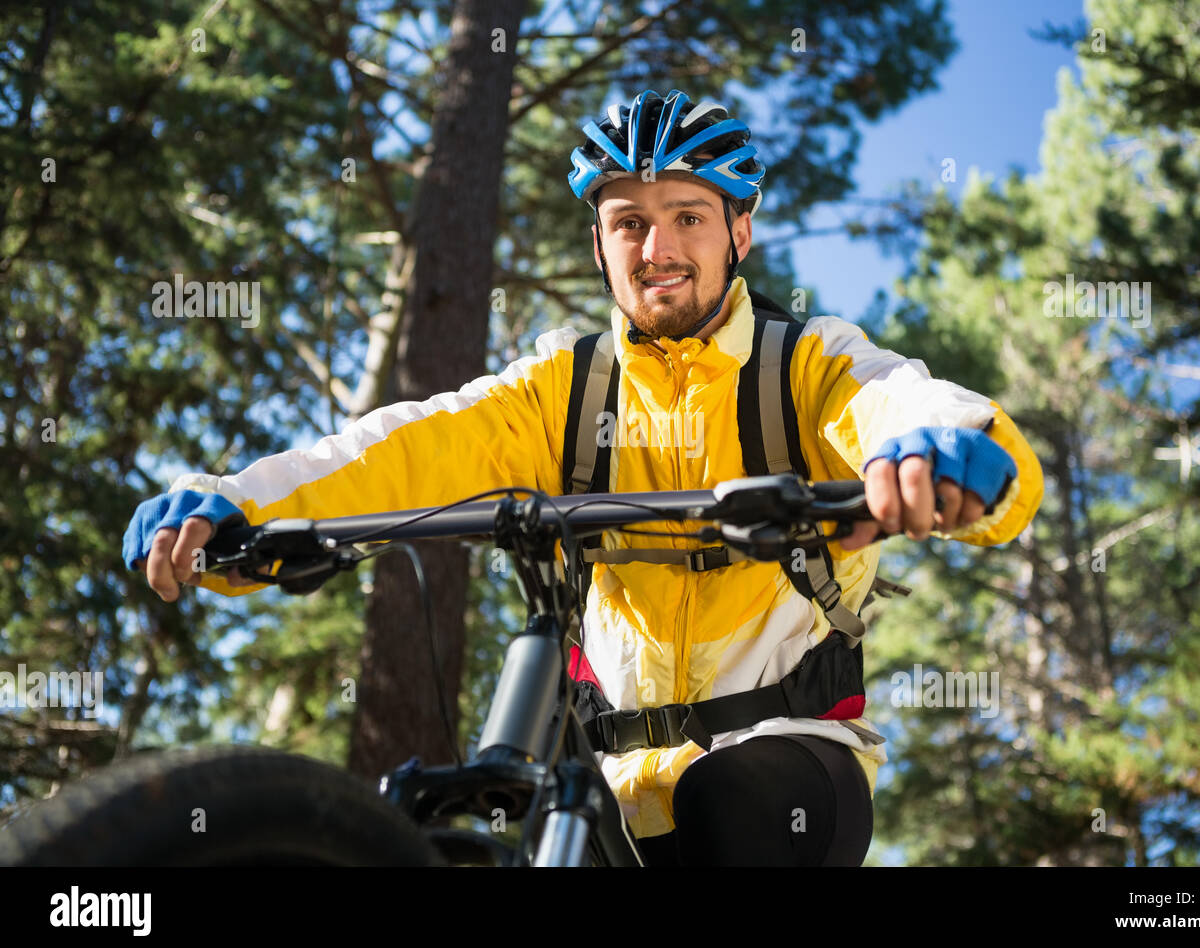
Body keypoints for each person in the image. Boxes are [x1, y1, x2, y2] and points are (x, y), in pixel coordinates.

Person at [124, 89, 1043, 866]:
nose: (658, 249)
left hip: (785, 756)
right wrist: (239, 506)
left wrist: (943, 451)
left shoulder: (799, 366)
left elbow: (903, 401)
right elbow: (402, 446)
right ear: (599, 246)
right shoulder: (564, 388)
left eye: (687, 216)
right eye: (629, 224)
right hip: (595, 779)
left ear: (740, 233)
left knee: (737, 806)